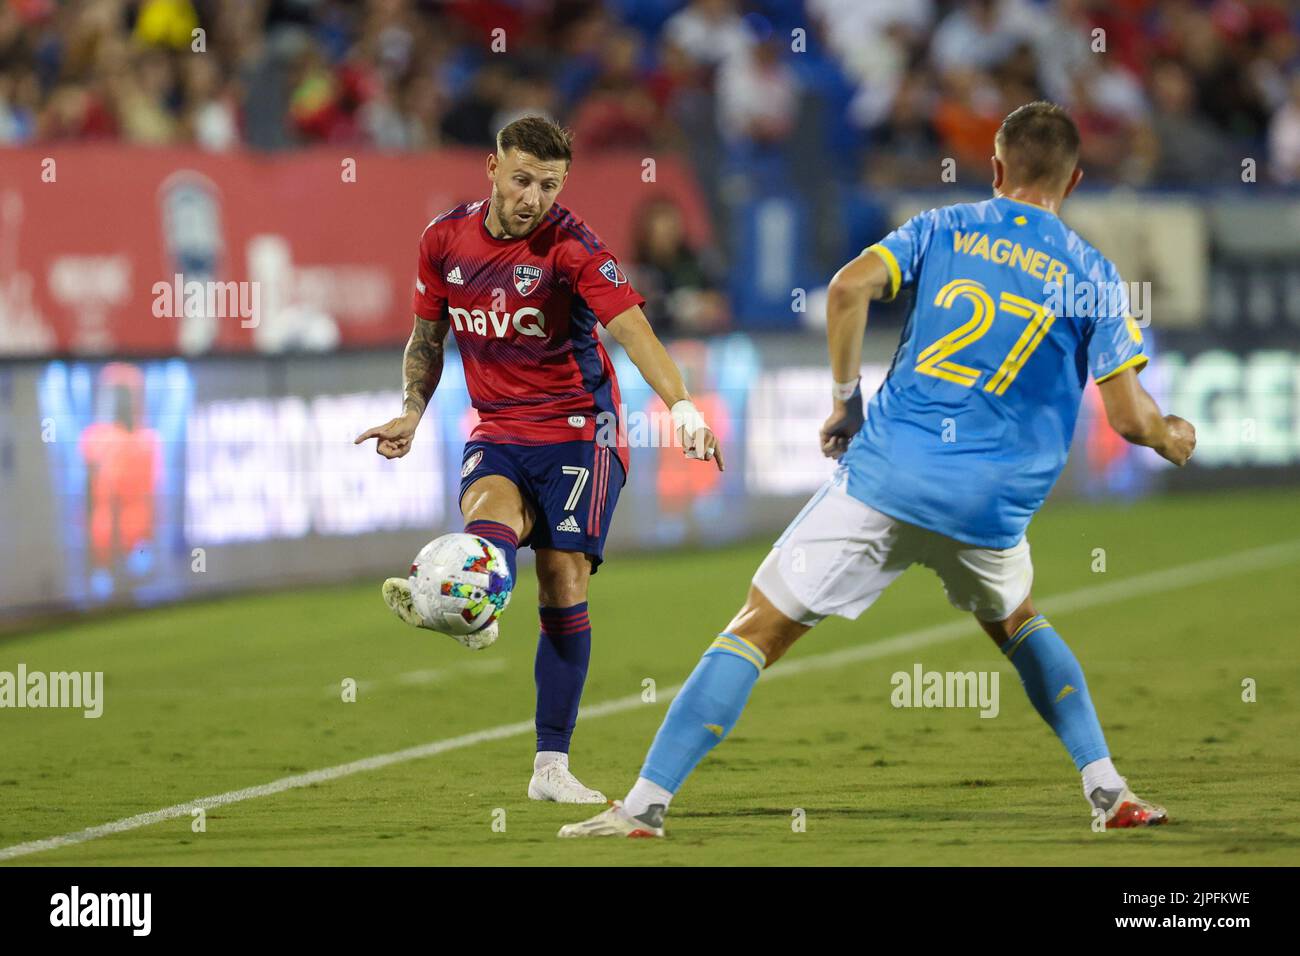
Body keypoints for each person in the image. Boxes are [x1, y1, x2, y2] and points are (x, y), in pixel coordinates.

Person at [558, 101, 1196, 839]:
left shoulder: (943, 226)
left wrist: (845, 401)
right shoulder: (1093, 274)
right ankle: (1109, 791)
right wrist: (1172, 435)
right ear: (1075, 181)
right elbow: (1129, 419)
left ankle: (643, 806)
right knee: (1018, 621)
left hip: (889, 475)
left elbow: (846, 289)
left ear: (994, 168)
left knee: (756, 629)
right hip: (990, 507)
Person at [355, 115, 723, 805]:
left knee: (561, 580)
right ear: (493, 168)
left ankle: (549, 767)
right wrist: (411, 411)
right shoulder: (443, 241)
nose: (533, 197)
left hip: (583, 430)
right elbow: (426, 339)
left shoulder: (575, 249)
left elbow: (633, 331)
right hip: (498, 425)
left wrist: (682, 407)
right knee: (486, 521)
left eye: (549, 185)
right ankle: (475, 601)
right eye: (522, 179)